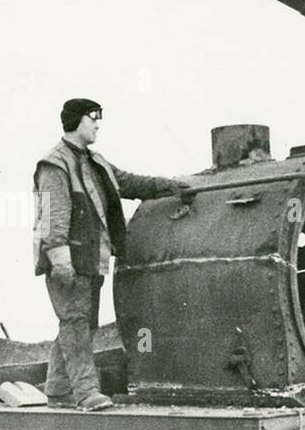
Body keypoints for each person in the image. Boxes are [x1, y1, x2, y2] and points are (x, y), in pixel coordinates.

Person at [33, 98, 191, 410]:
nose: (97, 125)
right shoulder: (55, 164)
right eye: (93, 119)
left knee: (79, 324)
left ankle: (58, 388)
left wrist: (169, 186)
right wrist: (59, 260)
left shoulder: (95, 162)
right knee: (76, 322)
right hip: (69, 262)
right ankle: (86, 393)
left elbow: (129, 183)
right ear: (77, 121)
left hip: (92, 261)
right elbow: (53, 218)